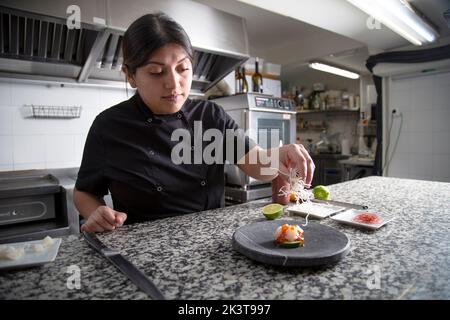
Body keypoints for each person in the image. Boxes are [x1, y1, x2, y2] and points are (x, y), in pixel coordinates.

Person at [73, 12, 315, 233]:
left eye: (183, 69)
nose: (174, 83)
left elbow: (255, 163)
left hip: (211, 240)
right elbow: (84, 191)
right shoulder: (109, 126)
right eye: (157, 72)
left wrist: (281, 155)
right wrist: (96, 212)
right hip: (142, 247)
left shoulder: (210, 116)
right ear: (130, 75)